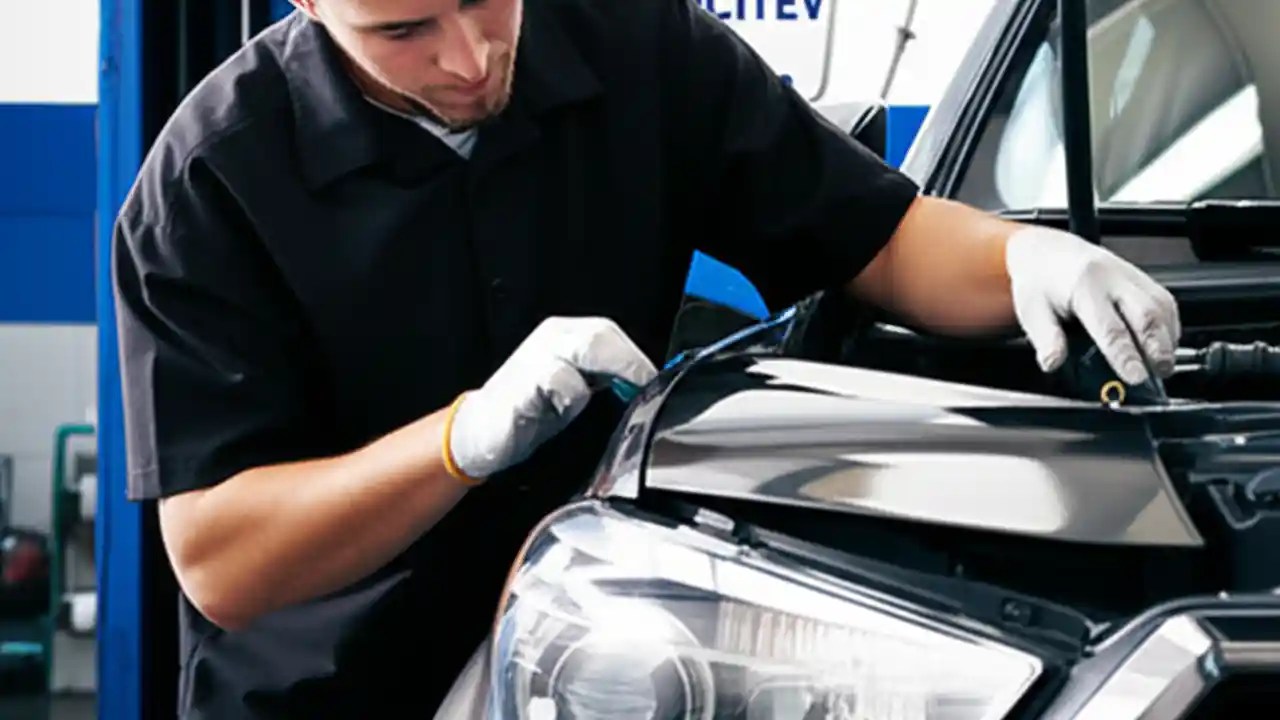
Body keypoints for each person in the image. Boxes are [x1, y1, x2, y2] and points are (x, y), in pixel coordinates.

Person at [111, 0, 1180, 716]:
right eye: (404, 30)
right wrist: (457, 443)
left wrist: (1025, 258)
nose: (471, 57)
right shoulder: (209, 183)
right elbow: (221, 559)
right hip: (336, 694)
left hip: (620, 669)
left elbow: (879, 241)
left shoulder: (642, 48)